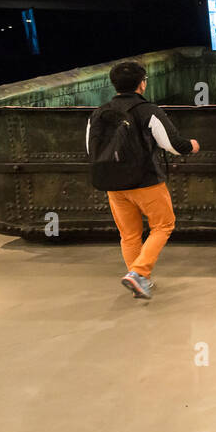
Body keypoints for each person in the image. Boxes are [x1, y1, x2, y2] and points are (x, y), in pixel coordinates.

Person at [86, 61, 200, 299]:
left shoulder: (99, 113)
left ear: (114, 84)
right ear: (142, 84)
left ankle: (140, 280)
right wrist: (192, 146)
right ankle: (139, 273)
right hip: (146, 181)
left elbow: (91, 149)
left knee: (129, 235)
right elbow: (173, 145)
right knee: (164, 225)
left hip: (113, 184)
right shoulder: (147, 110)